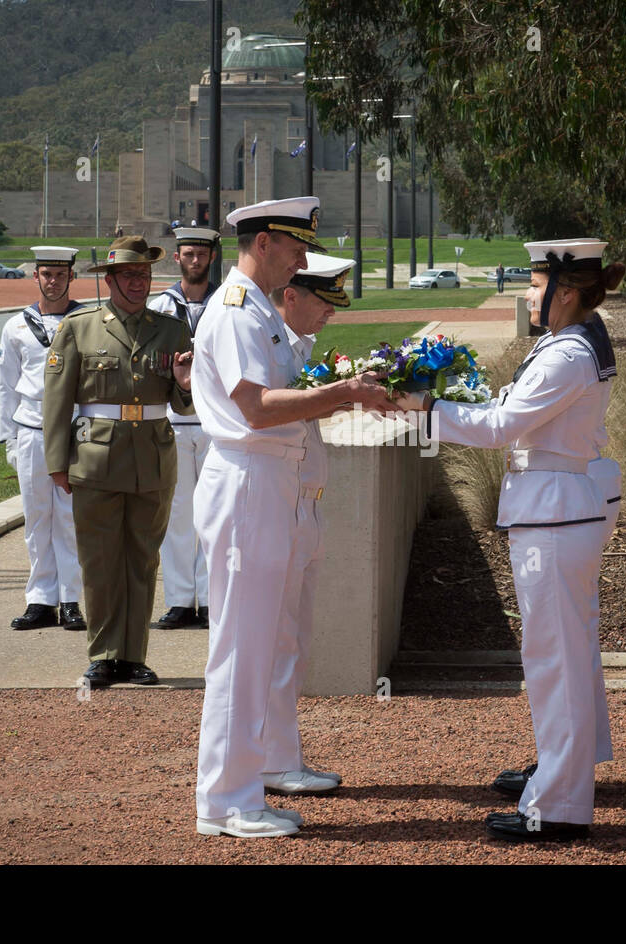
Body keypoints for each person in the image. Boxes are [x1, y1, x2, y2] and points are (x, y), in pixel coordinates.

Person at [393, 238, 625, 843]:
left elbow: (500, 428)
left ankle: (561, 804)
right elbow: (511, 410)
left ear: (565, 292)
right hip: (562, 509)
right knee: (567, 655)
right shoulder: (570, 341)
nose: (527, 292)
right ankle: (564, 769)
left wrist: (420, 406)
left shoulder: (565, 354)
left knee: (555, 661)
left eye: (534, 283)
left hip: (555, 515)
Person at [191, 197, 396, 838]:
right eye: (297, 246)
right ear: (265, 241)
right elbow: (255, 407)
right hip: (248, 478)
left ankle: (253, 778)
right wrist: (342, 394)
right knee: (242, 649)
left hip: (270, 480)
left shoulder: (258, 312)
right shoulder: (235, 313)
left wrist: (345, 391)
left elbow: (286, 399)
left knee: (263, 643)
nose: (305, 260)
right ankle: (225, 801)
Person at [42, 236, 195, 689]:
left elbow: (184, 406)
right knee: (101, 561)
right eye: (129, 275)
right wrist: (56, 462)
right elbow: (57, 400)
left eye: (144, 275)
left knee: (142, 561)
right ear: (110, 280)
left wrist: (186, 383)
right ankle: (104, 653)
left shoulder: (171, 330)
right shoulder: (78, 327)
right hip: (95, 459)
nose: (138, 283)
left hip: (152, 457)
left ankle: (134, 656)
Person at [259, 252, 359, 796]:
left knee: (293, 639)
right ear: (291, 296)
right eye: (324, 300)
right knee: (277, 639)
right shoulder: (271, 343)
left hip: (306, 502)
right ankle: (272, 762)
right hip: (283, 501)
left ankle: (282, 753)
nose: (331, 313)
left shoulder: (298, 347)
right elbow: (265, 410)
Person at [0, 246, 87, 633]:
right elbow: (6, 386)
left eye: (60, 274)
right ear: (36, 277)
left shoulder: (86, 321)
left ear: (71, 277)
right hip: (31, 429)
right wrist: (9, 440)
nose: (53, 281)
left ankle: (70, 599)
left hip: (72, 430)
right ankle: (39, 599)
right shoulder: (16, 326)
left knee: (69, 520)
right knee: (37, 519)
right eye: (46, 274)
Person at [147, 228, 220, 630]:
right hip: (172, 421)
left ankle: (209, 598)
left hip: (214, 422)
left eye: (202, 253)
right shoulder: (160, 305)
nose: (195, 260)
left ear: (211, 257)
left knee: (211, 513)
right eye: (188, 253)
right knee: (176, 515)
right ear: (177, 259)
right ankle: (178, 599)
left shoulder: (227, 302)